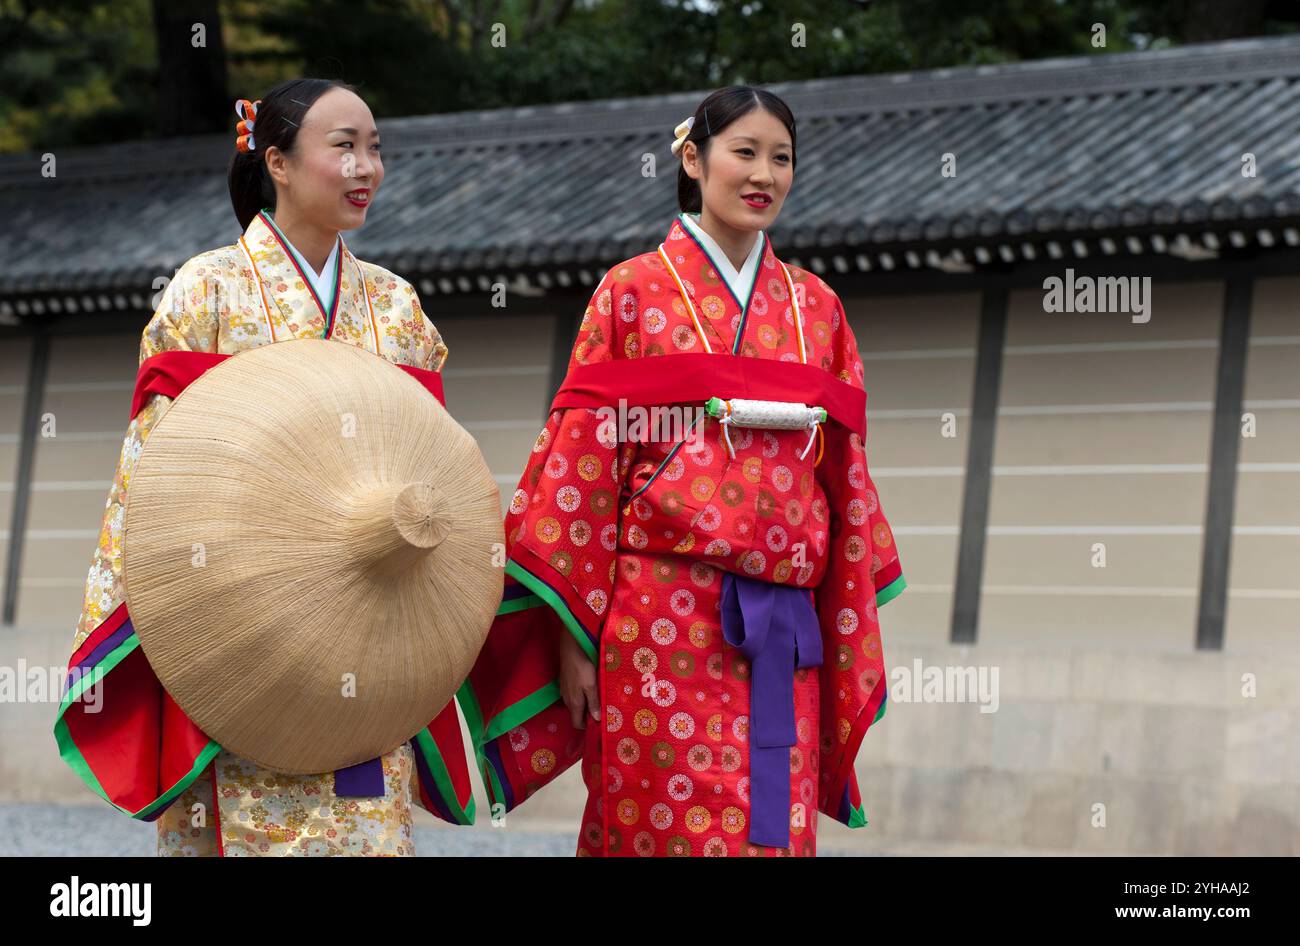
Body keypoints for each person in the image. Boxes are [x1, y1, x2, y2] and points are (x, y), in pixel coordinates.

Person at [459, 86, 906, 857]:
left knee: (775, 821)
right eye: (745, 152)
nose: (763, 173)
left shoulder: (817, 308)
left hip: (786, 627)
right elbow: (580, 469)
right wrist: (574, 632)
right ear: (694, 160)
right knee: (656, 824)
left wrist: (843, 612)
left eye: (782, 157)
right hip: (656, 622)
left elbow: (846, 482)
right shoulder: (630, 291)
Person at [55, 77, 475, 856]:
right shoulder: (206, 291)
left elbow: (431, 468)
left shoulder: (394, 307)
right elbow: (153, 480)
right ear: (277, 163)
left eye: (375, 148)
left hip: (370, 636)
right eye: (344, 146)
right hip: (240, 635)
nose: (367, 167)